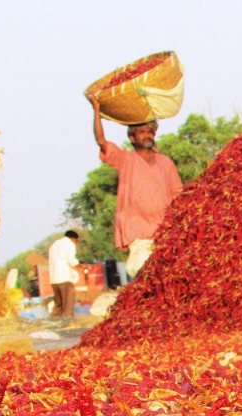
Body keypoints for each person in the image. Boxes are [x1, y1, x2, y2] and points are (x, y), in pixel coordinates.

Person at [88, 95, 183, 279]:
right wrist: (97, 112)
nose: (148, 135)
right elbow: (101, 141)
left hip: (164, 232)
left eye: (150, 132)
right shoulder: (126, 160)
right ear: (132, 137)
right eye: (142, 132)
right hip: (138, 231)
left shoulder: (166, 163)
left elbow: (179, 196)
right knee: (144, 275)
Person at [48, 230, 81, 317]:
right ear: (73, 239)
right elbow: (71, 260)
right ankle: (68, 322)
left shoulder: (54, 245)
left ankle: (54, 322)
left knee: (58, 305)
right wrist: (78, 264)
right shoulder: (70, 244)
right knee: (68, 304)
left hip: (54, 279)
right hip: (65, 277)